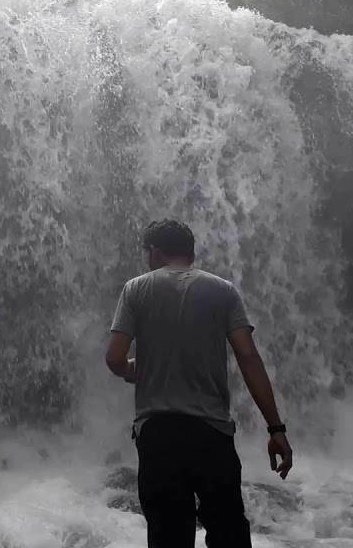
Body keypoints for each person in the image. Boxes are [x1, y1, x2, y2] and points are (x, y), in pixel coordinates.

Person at [105, 219, 292, 548]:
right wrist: (275, 428)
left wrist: (130, 369)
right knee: (229, 534)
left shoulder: (136, 288)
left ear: (155, 251)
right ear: (190, 252)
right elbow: (248, 358)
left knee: (168, 536)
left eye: (146, 252)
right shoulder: (223, 290)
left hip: (158, 434)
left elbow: (114, 357)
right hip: (212, 435)